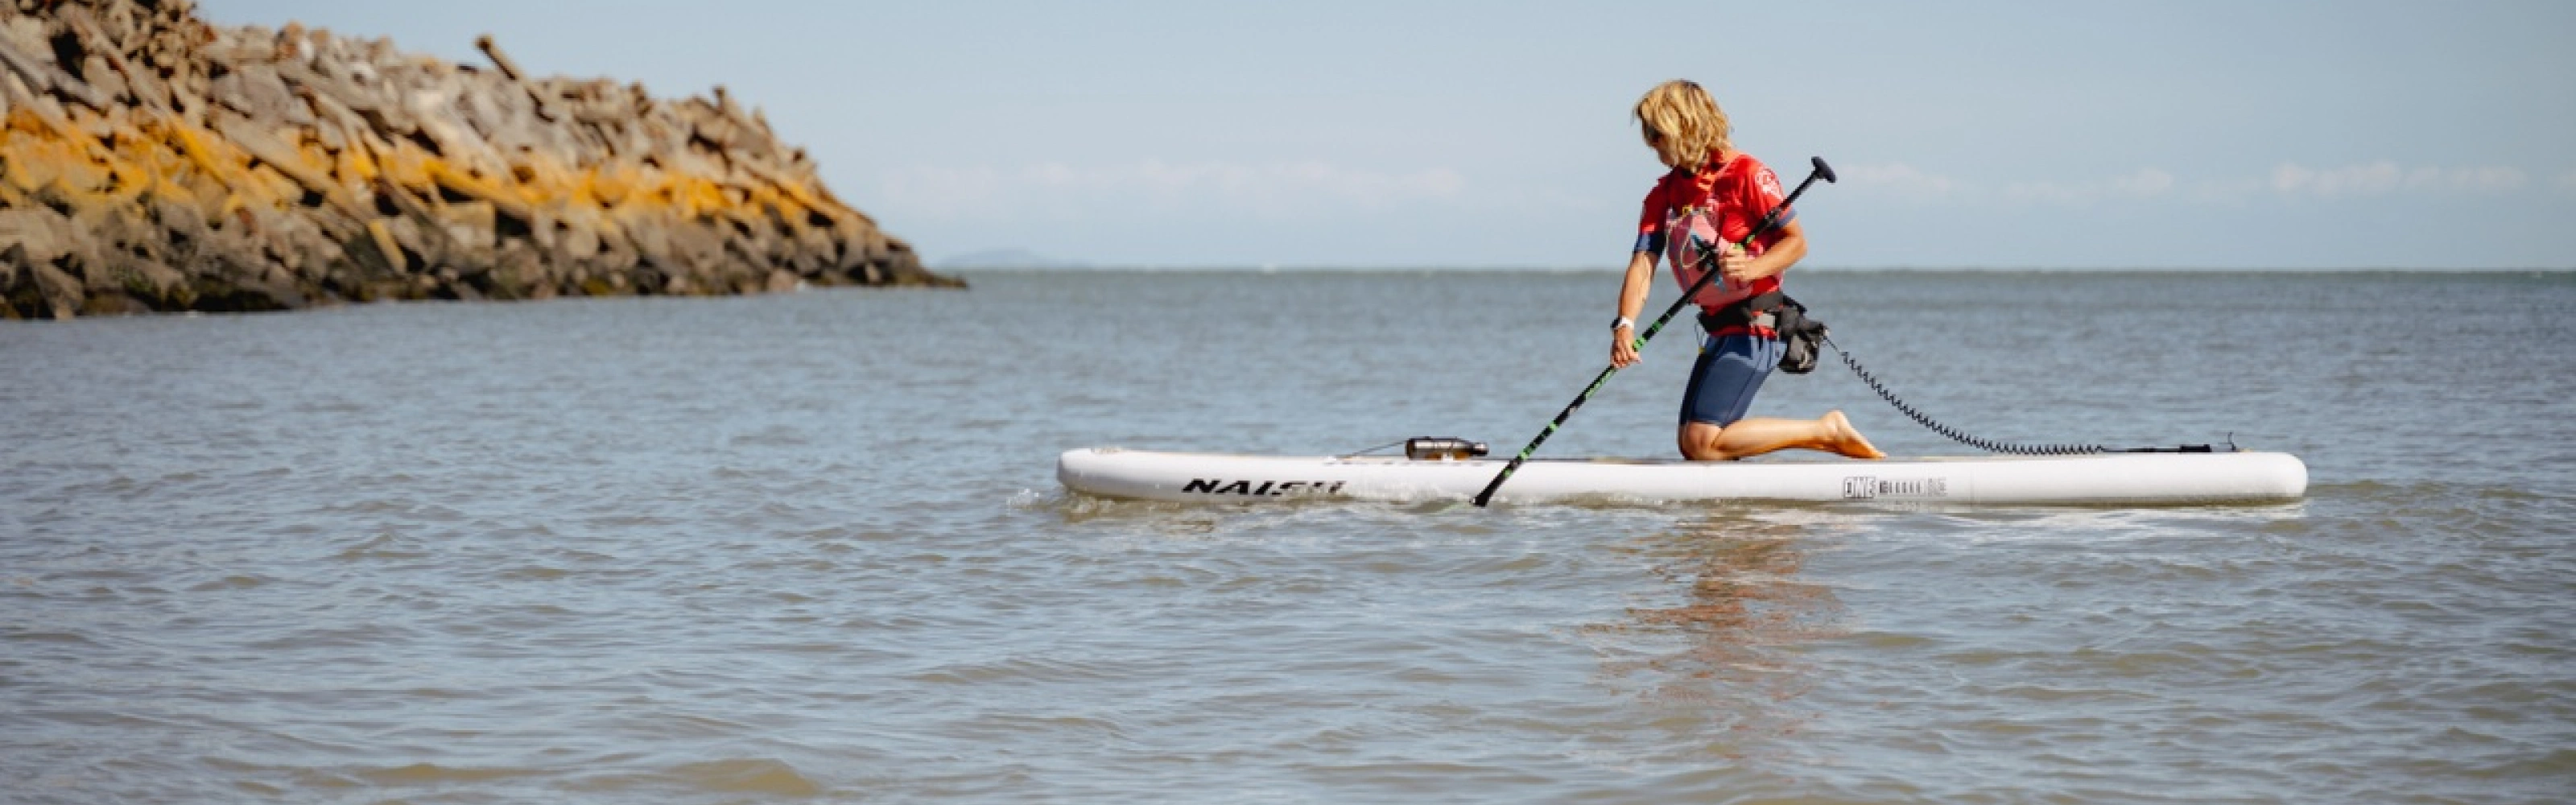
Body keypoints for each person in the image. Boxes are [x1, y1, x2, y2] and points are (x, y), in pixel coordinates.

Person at [1611, 80, 1884, 462]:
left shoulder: (1747, 175)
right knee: (1695, 445)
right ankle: (1738, 521)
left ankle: (1825, 430)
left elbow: (1796, 243)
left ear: (1684, 126)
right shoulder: (1663, 194)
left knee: (1703, 443)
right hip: (1717, 327)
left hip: (1756, 324)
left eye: (1655, 133)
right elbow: (1644, 262)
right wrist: (1624, 324)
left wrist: (1753, 266)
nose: (1650, 143)